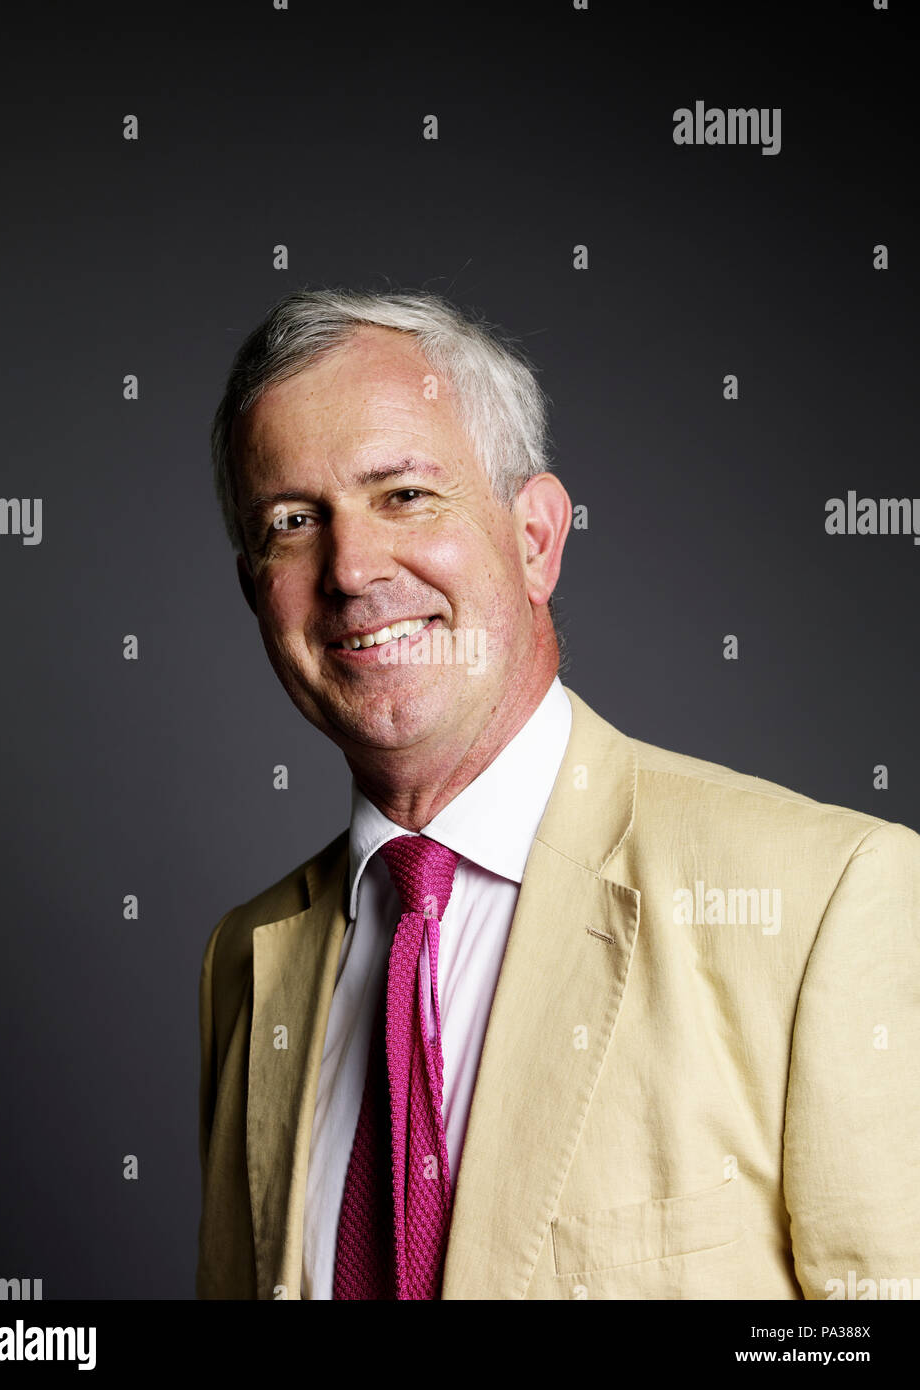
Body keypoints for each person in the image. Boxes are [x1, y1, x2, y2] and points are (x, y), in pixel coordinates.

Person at [196, 288, 920, 1301]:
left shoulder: (824, 900)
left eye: (404, 494)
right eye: (293, 521)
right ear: (253, 590)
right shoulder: (245, 960)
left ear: (534, 538)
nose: (351, 569)